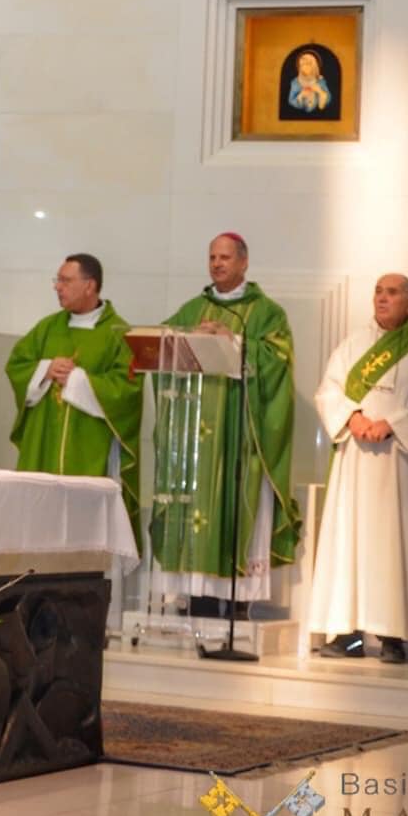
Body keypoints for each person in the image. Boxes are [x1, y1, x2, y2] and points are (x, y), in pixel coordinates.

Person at [150, 233, 301, 617]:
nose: (217, 264)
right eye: (212, 257)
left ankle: (237, 606)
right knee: (198, 511)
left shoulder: (267, 312)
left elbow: (277, 361)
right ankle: (197, 598)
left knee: (237, 510)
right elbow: (160, 346)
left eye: (225, 258)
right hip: (196, 447)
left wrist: (234, 342)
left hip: (241, 439)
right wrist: (186, 338)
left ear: (244, 263)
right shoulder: (193, 308)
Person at [307, 273, 408, 663]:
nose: (382, 299)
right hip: (357, 460)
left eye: (392, 293)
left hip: (403, 466)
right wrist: (353, 418)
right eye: (378, 292)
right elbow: (328, 391)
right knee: (351, 543)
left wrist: (394, 424)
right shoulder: (353, 343)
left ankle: (393, 638)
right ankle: (349, 635)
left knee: (397, 547)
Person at [6, 254, 143, 544]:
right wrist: (44, 370)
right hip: (43, 446)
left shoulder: (119, 333)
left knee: (82, 536)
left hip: (90, 450)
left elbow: (128, 388)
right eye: (57, 280)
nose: (58, 287)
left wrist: (78, 381)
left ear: (90, 285)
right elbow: (17, 365)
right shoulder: (47, 328)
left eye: (66, 280)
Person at [287, 49, 331, 114]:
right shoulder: (295, 82)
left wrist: (320, 92)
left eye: (309, 64)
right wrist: (301, 95)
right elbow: (291, 101)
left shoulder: (320, 81)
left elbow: (328, 98)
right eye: (303, 65)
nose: (305, 67)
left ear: (315, 66)